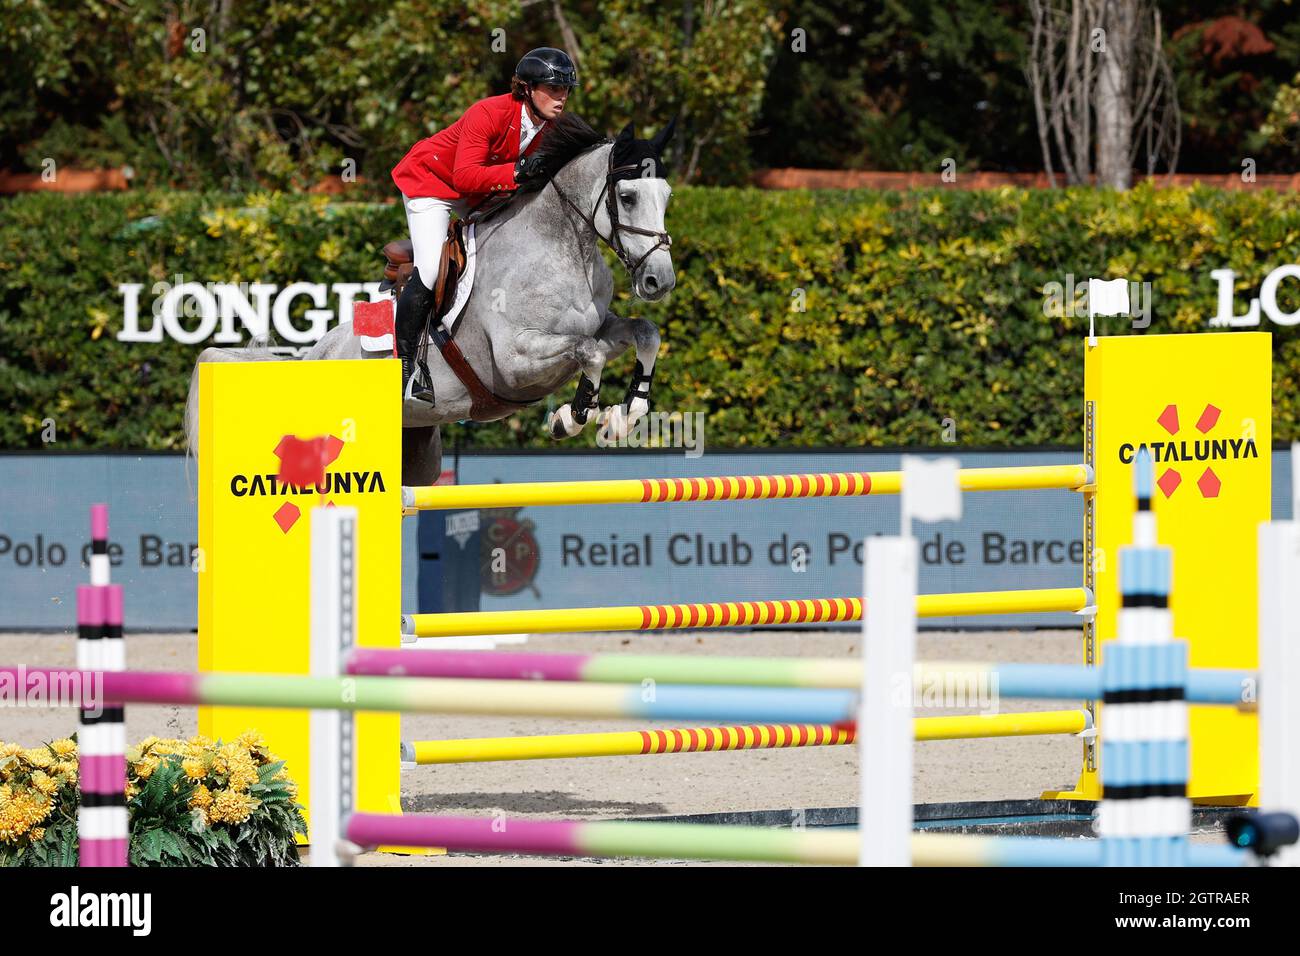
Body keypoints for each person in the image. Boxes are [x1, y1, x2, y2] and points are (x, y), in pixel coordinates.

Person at [389, 47, 578, 401]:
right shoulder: (488, 112)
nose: (562, 96)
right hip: (432, 183)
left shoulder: (550, 128)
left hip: (480, 190)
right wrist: (518, 172)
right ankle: (406, 370)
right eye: (553, 88)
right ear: (527, 89)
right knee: (430, 268)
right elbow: (464, 176)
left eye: (566, 89)